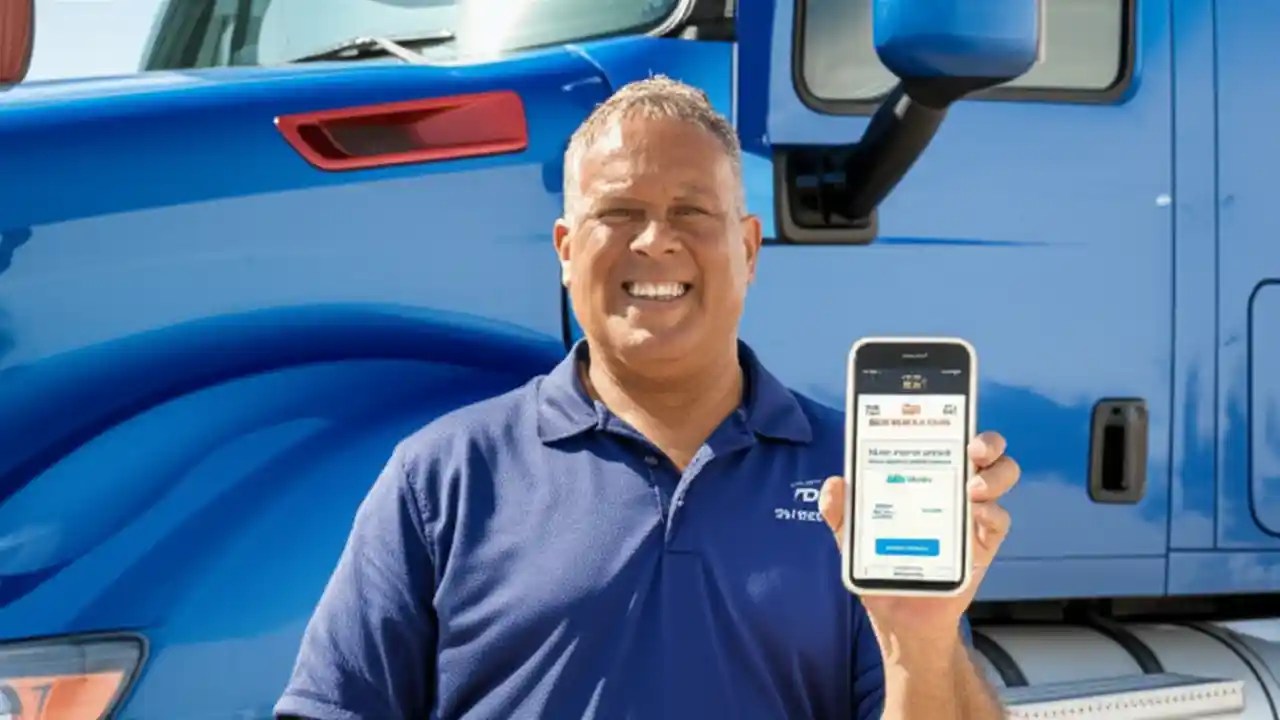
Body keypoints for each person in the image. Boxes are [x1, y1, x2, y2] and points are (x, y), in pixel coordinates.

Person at [273, 75, 1019, 720]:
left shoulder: (853, 480)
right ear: (567, 250)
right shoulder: (443, 477)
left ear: (749, 249)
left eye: (691, 212)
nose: (656, 241)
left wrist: (921, 640)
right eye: (620, 213)